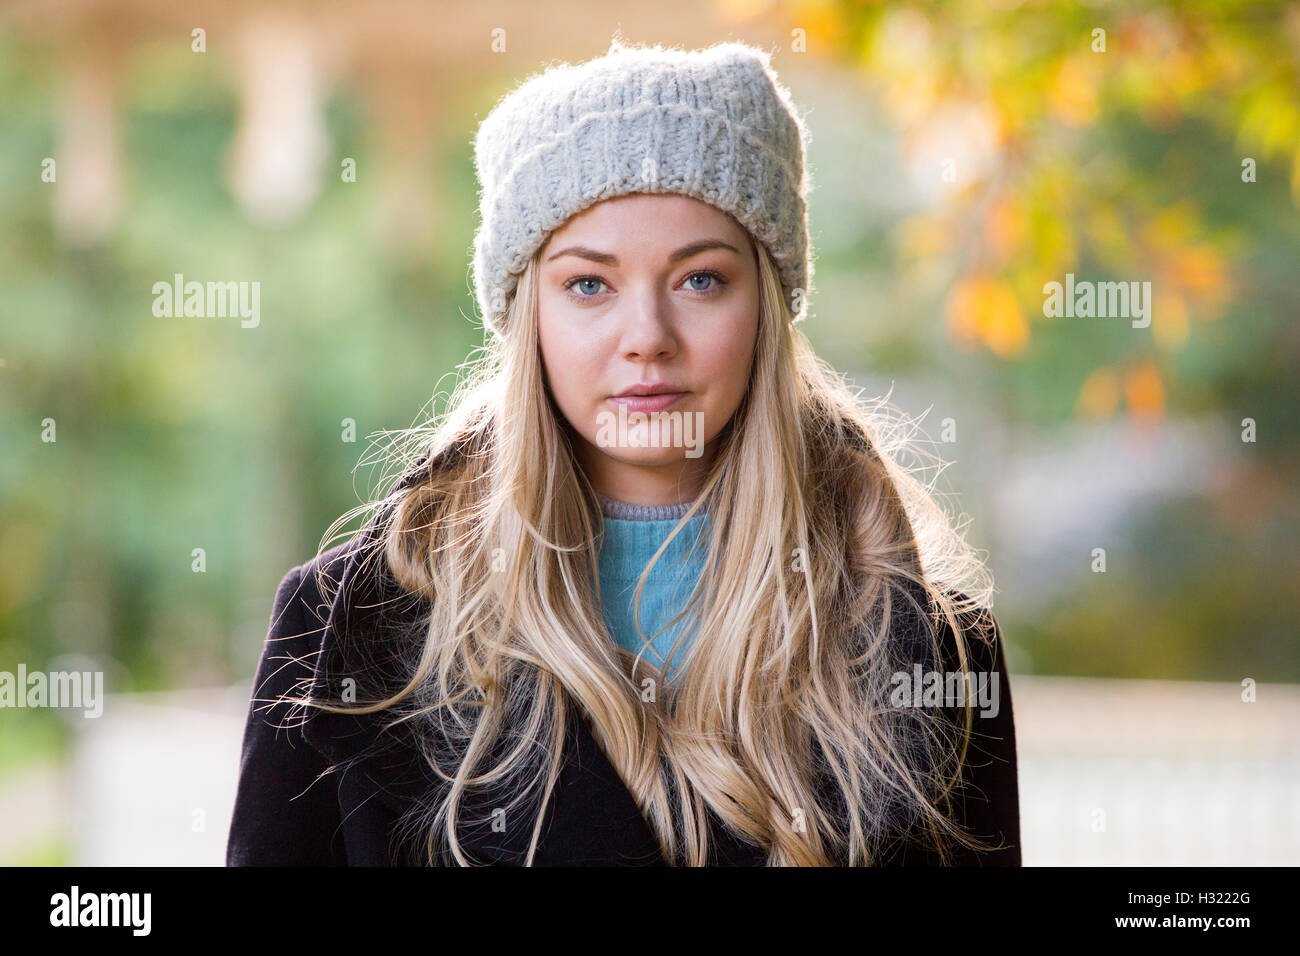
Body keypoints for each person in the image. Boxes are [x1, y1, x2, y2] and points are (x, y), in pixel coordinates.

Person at [226, 36, 1021, 867]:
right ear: (529, 313)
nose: (647, 337)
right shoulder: (346, 630)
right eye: (590, 285)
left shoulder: (933, 650)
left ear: (769, 305)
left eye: (700, 279)